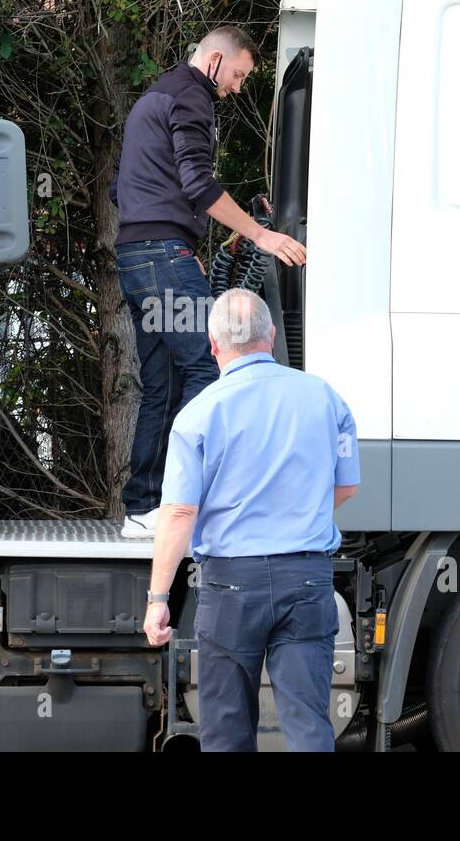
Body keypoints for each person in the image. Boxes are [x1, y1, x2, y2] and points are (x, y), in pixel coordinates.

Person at [141, 289, 361, 751]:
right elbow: (345, 487)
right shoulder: (324, 398)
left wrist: (158, 597)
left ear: (213, 344)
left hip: (230, 587)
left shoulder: (197, 413)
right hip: (306, 579)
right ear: (272, 336)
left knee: (225, 728)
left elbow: (180, 510)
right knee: (308, 722)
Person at [112, 26, 306, 538]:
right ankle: (184, 503)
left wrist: (174, 248)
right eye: (239, 74)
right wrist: (259, 235)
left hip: (139, 256)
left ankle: (141, 507)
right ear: (215, 60)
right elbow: (199, 184)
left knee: (165, 382)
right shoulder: (191, 96)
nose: (238, 87)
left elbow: (122, 186)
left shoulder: (157, 96)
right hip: (161, 257)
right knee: (209, 364)